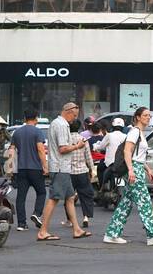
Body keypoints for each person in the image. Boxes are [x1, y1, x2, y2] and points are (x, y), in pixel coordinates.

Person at [103, 107, 153, 245]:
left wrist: (147, 169)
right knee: (144, 201)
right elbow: (127, 151)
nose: (148, 117)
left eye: (149, 115)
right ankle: (152, 235)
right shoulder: (134, 132)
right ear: (138, 117)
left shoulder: (140, 133)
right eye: (145, 115)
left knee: (126, 203)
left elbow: (138, 155)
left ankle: (112, 233)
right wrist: (131, 170)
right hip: (133, 169)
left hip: (136, 167)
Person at [37, 103, 88, 241]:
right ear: (69, 112)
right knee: (54, 198)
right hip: (60, 167)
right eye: (75, 115)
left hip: (63, 167)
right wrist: (78, 146)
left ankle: (76, 229)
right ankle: (43, 231)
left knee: (70, 198)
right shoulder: (61, 125)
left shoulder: (58, 123)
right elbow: (63, 148)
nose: (74, 119)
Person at [9, 109, 48, 231]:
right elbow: (41, 150)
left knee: (21, 196)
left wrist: (10, 168)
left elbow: (11, 152)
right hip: (35, 168)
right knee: (41, 192)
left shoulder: (17, 133)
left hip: (21, 168)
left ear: (24, 119)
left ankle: (21, 224)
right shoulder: (38, 132)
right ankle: (36, 213)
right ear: (36, 118)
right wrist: (45, 166)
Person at [68, 116, 96, 229]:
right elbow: (88, 157)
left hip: (69, 172)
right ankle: (85, 217)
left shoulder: (66, 140)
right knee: (86, 195)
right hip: (82, 171)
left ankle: (70, 220)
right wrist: (92, 169)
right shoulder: (83, 140)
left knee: (68, 197)